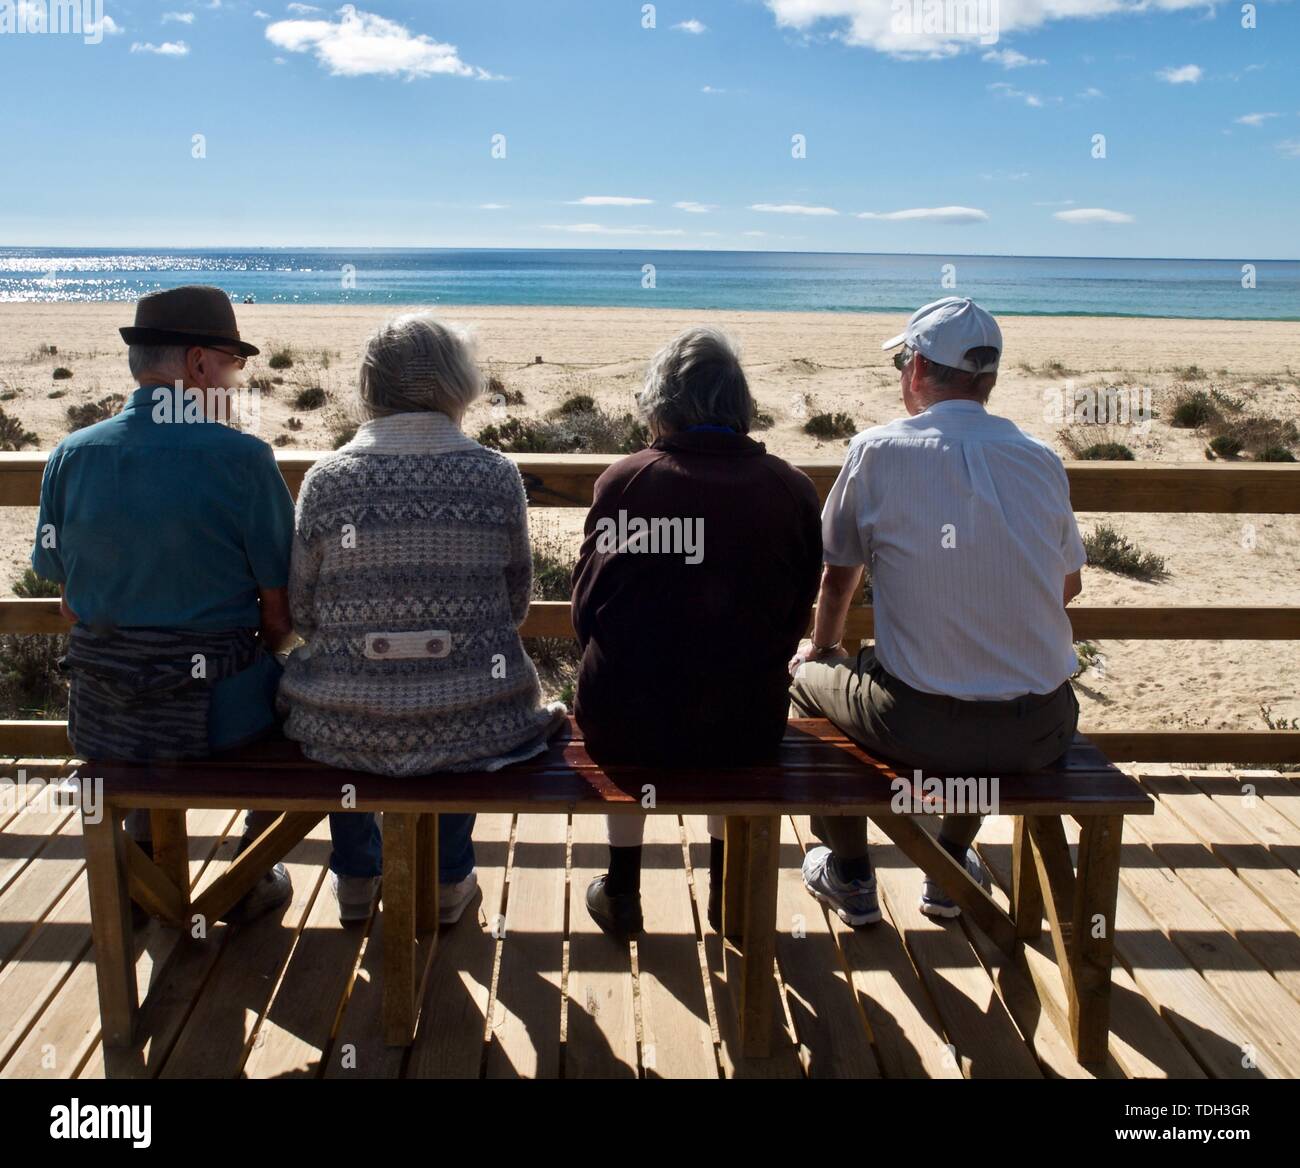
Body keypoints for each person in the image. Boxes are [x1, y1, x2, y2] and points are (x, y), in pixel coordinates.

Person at [789, 296, 1086, 926]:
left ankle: (848, 872)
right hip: (1040, 727)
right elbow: (1067, 589)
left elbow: (837, 576)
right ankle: (949, 867)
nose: (902, 371)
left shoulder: (877, 452)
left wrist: (823, 648)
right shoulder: (1040, 460)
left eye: (902, 360)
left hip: (920, 728)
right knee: (983, 673)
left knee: (807, 684)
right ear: (988, 380)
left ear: (918, 367)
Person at [278, 312, 566, 925]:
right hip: (471, 719)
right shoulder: (495, 476)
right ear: (456, 384)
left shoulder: (328, 481)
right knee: (467, 700)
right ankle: (445, 880)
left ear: (371, 385)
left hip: (347, 721)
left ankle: (357, 879)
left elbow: (303, 612)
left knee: (346, 692)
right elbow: (514, 607)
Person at [31, 285, 296, 925]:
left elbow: (64, 596)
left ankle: (143, 869)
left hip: (102, 717)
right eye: (234, 367)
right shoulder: (245, 460)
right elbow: (280, 616)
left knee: (144, 712)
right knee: (302, 709)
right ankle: (251, 874)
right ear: (200, 364)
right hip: (222, 720)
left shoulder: (71, 454)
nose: (235, 383)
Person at [573, 326, 823, 938]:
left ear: (662, 404)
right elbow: (798, 610)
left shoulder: (628, 480)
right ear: (739, 406)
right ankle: (724, 894)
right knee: (725, 705)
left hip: (625, 723)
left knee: (628, 699)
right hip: (744, 725)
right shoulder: (791, 488)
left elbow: (586, 608)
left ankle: (623, 890)